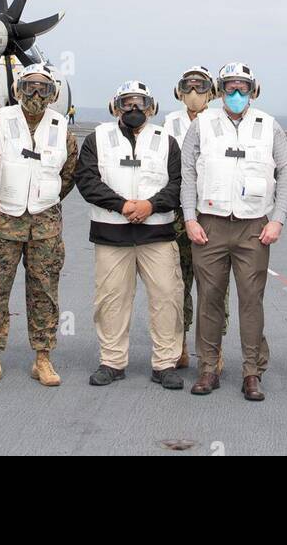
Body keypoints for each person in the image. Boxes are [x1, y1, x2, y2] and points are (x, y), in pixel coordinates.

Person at [181, 61, 287, 401]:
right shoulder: (202, 124)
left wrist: (277, 219)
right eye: (229, 87)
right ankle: (207, 368)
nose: (235, 93)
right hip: (210, 225)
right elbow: (188, 173)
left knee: (251, 301)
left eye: (241, 87)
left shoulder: (268, 126)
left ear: (253, 90)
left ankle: (251, 371)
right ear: (219, 90)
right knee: (209, 299)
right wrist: (189, 218)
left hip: (253, 227)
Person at [75, 81, 185, 390]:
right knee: (111, 299)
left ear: (151, 107)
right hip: (112, 235)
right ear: (116, 106)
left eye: (140, 103)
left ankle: (165, 363)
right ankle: (112, 362)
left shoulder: (166, 140)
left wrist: (151, 205)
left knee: (166, 297)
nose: (134, 109)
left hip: (157, 234)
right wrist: (122, 206)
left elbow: (178, 183)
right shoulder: (98, 138)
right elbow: (87, 179)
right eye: (127, 103)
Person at [0, 62, 78, 389]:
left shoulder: (62, 128)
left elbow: (68, 175)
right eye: (29, 87)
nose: (36, 94)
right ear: (17, 90)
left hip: (45, 227)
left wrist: (45, 198)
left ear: (53, 93)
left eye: (43, 88)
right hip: (4, 223)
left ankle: (43, 358)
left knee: (45, 293)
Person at [160, 64, 227, 371]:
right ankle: (180, 345)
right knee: (176, 283)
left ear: (211, 92)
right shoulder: (167, 123)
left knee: (214, 285)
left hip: (210, 212)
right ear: (179, 90)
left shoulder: (221, 121)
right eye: (188, 85)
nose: (194, 92)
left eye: (201, 86)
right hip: (175, 213)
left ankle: (214, 348)